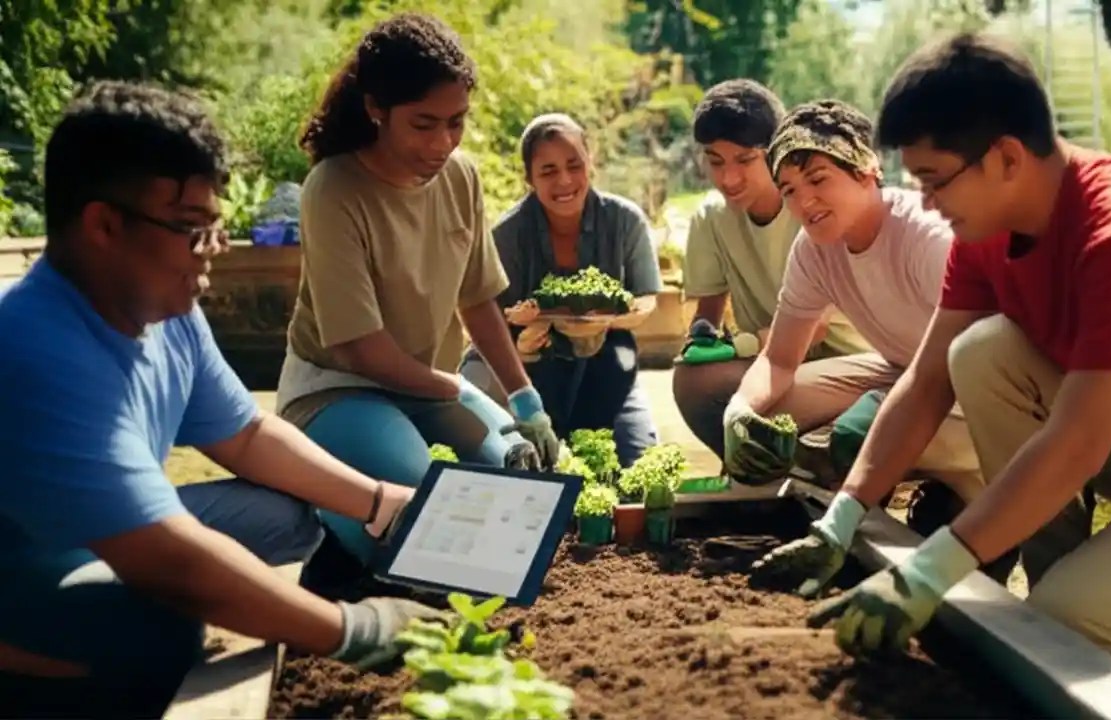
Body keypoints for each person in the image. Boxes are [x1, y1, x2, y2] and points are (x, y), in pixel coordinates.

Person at [756, 32, 1111, 717]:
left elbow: (1076, 444)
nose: (927, 201)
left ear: (1005, 156)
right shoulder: (986, 232)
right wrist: (844, 516)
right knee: (981, 350)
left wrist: (927, 572)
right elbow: (928, 380)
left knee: (1058, 630)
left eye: (935, 180)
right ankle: (1069, 569)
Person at [0, 81, 449, 718]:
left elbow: (245, 436)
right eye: (192, 230)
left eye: (215, 228)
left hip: (89, 531)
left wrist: (382, 503)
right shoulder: (35, 351)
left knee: (289, 515)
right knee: (159, 632)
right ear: (104, 224)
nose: (210, 254)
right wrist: (352, 629)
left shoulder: (164, 312)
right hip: (19, 568)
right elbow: (168, 559)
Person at [275, 14, 559, 574]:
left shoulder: (461, 176)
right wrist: (456, 389)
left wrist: (524, 399)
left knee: (519, 476)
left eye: (456, 123)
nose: (442, 143)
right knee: (424, 506)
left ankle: (366, 538)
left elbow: (476, 297)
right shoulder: (333, 189)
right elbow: (359, 347)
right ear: (376, 108)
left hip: (423, 385)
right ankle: (333, 538)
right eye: (424, 124)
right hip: (340, 390)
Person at [721, 99, 982, 525]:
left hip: (973, 391)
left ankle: (953, 500)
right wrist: (739, 410)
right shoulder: (813, 251)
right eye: (789, 190)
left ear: (866, 170)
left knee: (857, 434)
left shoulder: (927, 237)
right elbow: (780, 358)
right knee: (764, 417)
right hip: (902, 368)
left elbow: (973, 364)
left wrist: (881, 411)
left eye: (817, 179)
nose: (804, 202)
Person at [671, 79, 866, 462]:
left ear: (775, 153)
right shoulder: (711, 219)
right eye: (715, 161)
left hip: (844, 364)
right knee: (693, 380)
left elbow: (817, 325)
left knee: (774, 405)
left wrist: (742, 346)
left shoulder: (815, 209)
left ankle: (809, 475)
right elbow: (706, 318)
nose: (729, 178)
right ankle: (757, 474)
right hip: (772, 361)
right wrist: (701, 340)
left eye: (745, 160)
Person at [459, 114, 661, 466]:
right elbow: (487, 317)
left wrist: (603, 320)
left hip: (602, 358)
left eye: (574, 165)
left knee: (636, 460)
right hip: (521, 362)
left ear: (590, 163)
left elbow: (645, 300)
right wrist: (520, 332)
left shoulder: (624, 220)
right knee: (497, 450)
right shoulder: (507, 235)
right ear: (529, 178)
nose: (565, 181)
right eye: (548, 171)